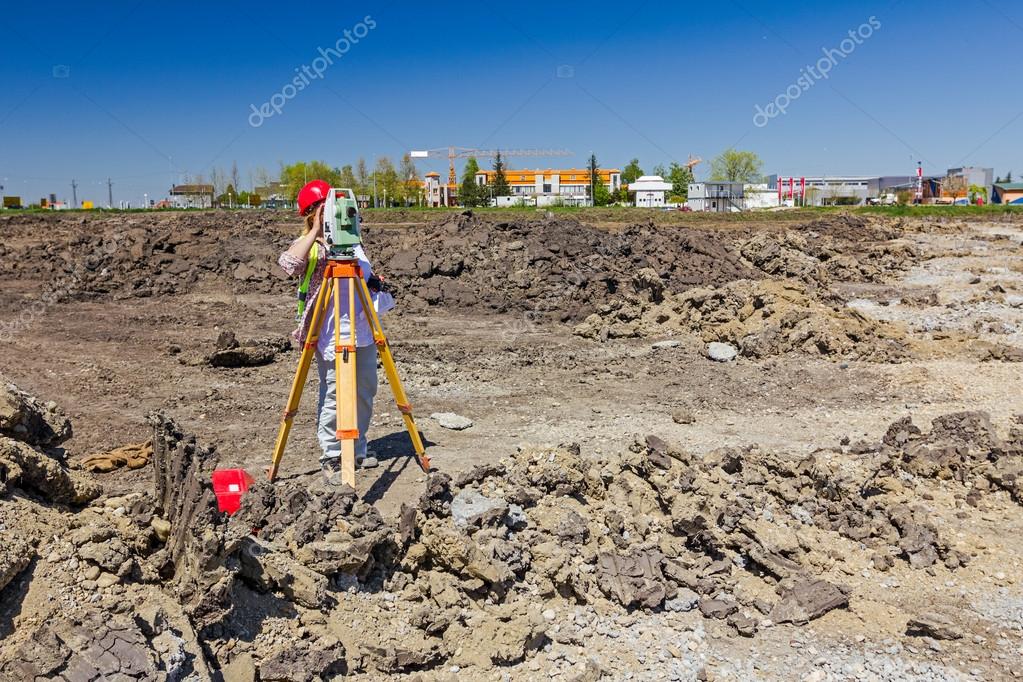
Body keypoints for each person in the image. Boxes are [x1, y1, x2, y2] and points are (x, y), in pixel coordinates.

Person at [278, 180, 394, 484]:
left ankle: (357, 447)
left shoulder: (353, 242)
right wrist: (316, 230)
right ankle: (332, 454)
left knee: (365, 388)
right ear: (313, 212)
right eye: (325, 207)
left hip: (362, 328)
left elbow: (364, 276)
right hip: (329, 330)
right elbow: (287, 264)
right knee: (333, 393)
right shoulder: (312, 246)